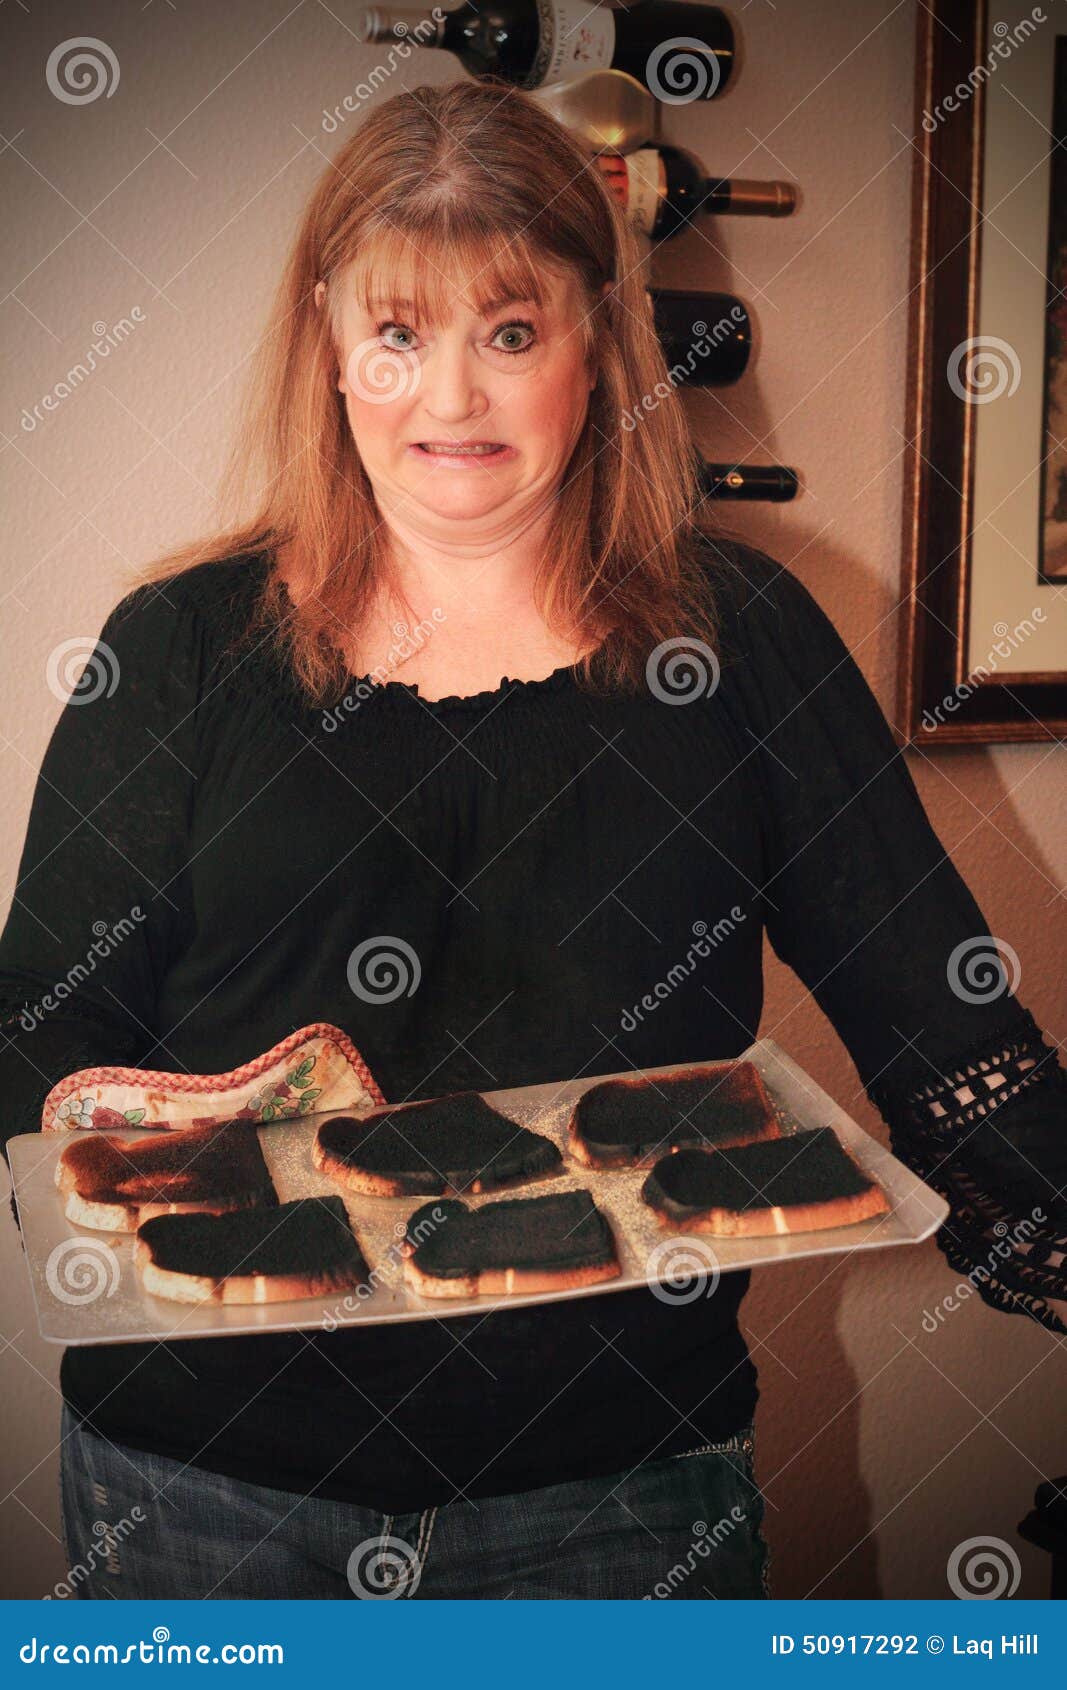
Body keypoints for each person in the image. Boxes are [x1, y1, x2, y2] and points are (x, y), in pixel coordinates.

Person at [1, 80, 1064, 1602]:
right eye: (399, 332)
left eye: (510, 332)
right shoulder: (176, 651)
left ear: (598, 335)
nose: (453, 399)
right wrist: (200, 1122)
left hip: (620, 1498)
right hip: (202, 1495)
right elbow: (42, 1021)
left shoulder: (739, 642)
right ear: (328, 337)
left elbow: (949, 1029)